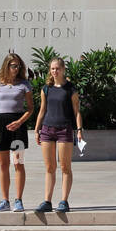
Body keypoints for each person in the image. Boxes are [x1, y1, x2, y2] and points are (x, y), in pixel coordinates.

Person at [34, 57, 82, 213]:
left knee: (65, 167)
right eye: (52, 69)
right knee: (49, 167)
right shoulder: (46, 89)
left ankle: (63, 201)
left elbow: (77, 112)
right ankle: (47, 201)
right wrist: (37, 129)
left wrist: (79, 130)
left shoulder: (70, 89)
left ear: (63, 69)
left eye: (57, 68)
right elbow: (42, 111)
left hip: (64, 130)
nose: (55, 71)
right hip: (47, 129)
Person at [0, 53, 34, 211]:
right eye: (14, 65)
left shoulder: (24, 84)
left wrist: (19, 122)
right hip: (1, 126)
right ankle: (4, 200)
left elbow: (30, 109)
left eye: (19, 66)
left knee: (18, 163)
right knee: (3, 164)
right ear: (7, 66)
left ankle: (18, 200)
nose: (16, 68)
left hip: (18, 127)